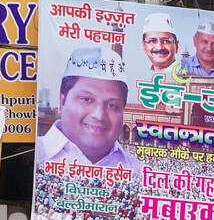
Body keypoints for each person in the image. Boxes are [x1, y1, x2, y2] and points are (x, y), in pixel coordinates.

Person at [35, 45, 144, 174]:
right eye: (86, 99)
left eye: (112, 105)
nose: (99, 115)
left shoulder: (139, 172)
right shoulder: (33, 154)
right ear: (62, 102)